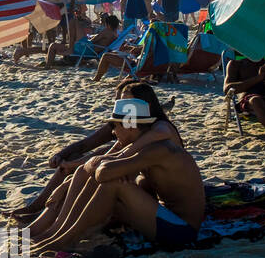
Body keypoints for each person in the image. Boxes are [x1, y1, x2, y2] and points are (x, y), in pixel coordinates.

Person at [26, 96, 205, 254]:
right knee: (90, 173)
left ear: (130, 126)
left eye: (115, 126)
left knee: (112, 183)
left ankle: (64, 240)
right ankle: (55, 232)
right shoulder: (141, 146)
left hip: (182, 230)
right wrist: (77, 176)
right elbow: (99, 168)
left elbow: (104, 173)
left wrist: (93, 165)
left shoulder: (156, 149)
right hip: (163, 217)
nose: (112, 132)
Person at [9, 79, 180, 221]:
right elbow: (91, 145)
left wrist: (75, 165)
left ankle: (50, 218)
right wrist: (62, 156)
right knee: (81, 162)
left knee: (93, 172)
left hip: (149, 189)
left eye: (124, 103)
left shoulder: (156, 129)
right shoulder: (125, 124)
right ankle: (38, 208)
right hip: (137, 177)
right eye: (118, 102)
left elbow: (117, 155)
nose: (119, 108)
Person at [46, 13, 119, 66]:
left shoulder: (107, 31)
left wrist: (91, 37)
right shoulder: (116, 35)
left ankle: (48, 65)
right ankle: (48, 65)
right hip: (88, 49)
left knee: (73, 21)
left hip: (86, 48)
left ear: (108, 25)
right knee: (53, 45)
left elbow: (93, 40)